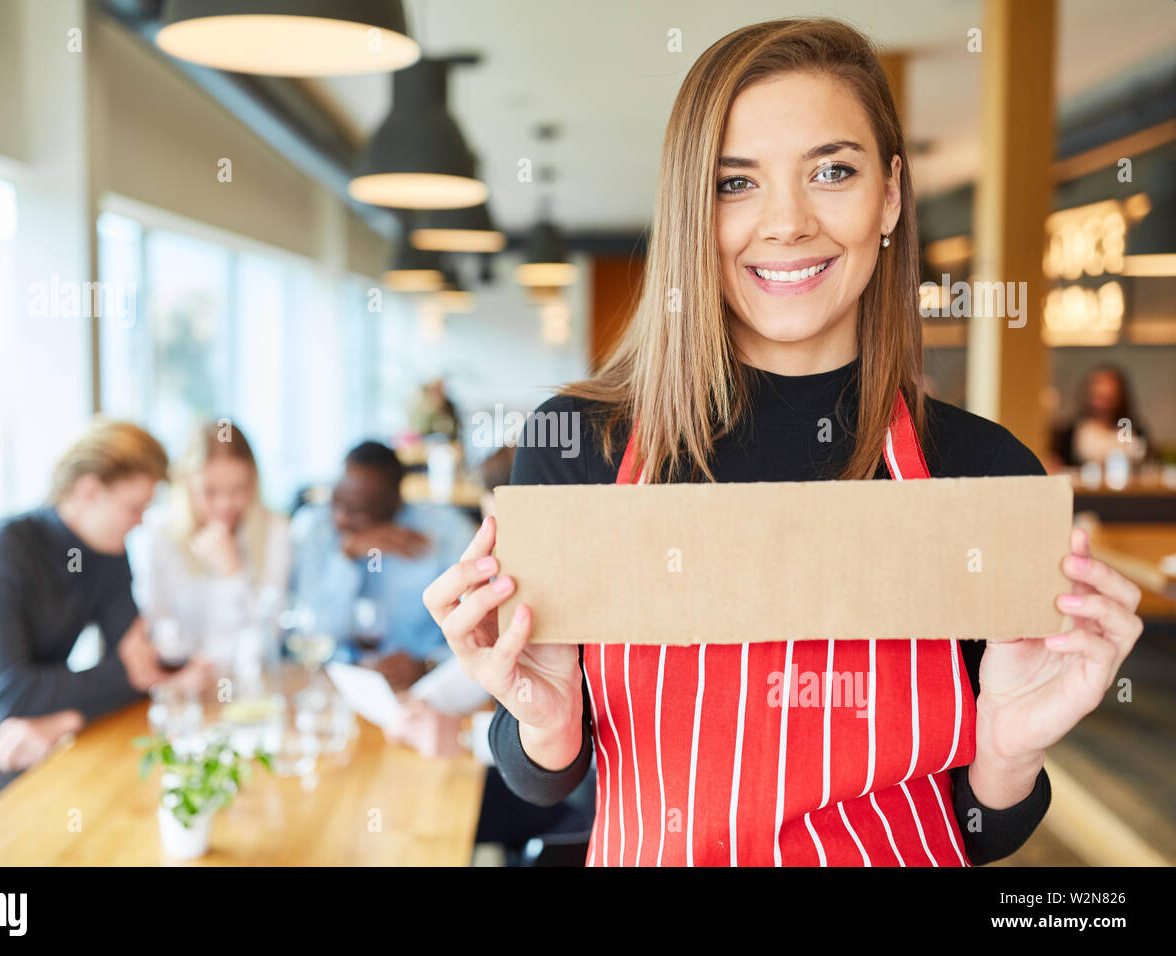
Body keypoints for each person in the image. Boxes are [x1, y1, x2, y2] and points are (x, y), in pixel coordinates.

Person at [422, 19, 1144, 867]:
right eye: (737, 183)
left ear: (891, 195)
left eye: (832, 171)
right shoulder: (578, 449)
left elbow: (979, 832)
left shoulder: (983, 476)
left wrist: (1011, 754)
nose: (788, 222)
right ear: (692, 208)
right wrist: (544, 726)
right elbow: (547, 786)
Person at [0, 420, 207, 865]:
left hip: (14, 769)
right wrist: (87, 703)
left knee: (123, 821)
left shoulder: (105, 553)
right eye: (134, 506)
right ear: (89, 491)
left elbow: (138, 667)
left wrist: (62, 717)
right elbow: (8, 698)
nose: (142, 521)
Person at [290, 441, 476, 691]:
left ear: (395, 502)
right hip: (335, 685)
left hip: (426, 690)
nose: (341, 518)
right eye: (337, 501)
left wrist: (429, 664)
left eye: (358, 510)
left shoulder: (446, 534)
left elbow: (481, 633)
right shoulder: (316, 528)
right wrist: (346, 555)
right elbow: (313, 632)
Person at [128, 419, 291, 671]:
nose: (225, 504)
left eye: (239, 489)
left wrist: (231, 575)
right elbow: (154, 636)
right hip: (176, 686)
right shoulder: (155, 533)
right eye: (210, 491)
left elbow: (263, 644)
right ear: (186, 485)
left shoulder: (275, 532)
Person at [1050, 365, 1151, 470]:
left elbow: (1146, 464)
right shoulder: (1072, 431)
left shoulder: (1132, 429)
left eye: (1108, 398)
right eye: (1098, 396)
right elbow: (1059, 464)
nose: (1102, 404)